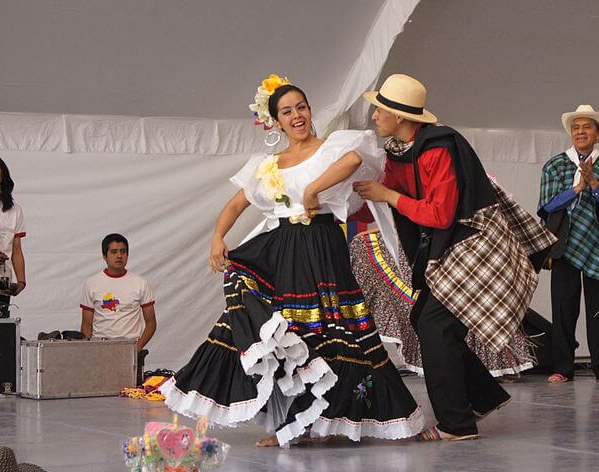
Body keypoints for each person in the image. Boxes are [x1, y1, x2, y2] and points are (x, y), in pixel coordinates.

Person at [160, 75, 423, 447]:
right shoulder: (268, 165)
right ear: (276, 121)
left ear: (310, 111)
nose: (296, 115)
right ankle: (293, 424)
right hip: (284, 248)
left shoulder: (332, 147)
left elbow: (354, 159)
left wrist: (314, 188)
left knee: (334, 328)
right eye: (287, 111)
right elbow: (237, 203)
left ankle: (333, 419)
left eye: (301, 107)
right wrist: (218, 237)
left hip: (322, 243)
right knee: (281, 325)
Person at [354, 74, 556, 441]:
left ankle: (457, 424)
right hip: (448, 248)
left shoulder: (438, 149)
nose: (373, 117)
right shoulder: (403, 152)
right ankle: (483, 397)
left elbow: (441, 214)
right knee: (425, 319)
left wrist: (388, 196)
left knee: (435, 326)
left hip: (474, 245)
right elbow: (390, 199)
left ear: (400, 116)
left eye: (379, 110)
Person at [349, 228, 536, 378]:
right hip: (441, 236)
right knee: (427, 319)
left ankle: (482, 380)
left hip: (459, 240)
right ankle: (476, 389)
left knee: (441, 317)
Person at [537, 105, 599, 383]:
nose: (580, 131)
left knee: (598, 307)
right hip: (563, 243)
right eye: (576, 127)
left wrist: (594, 182)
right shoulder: (555, 164)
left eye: (587, 127)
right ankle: (563, 367)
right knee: (564, 308)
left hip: (597, 243)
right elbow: (546, 206)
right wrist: (577, 188)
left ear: (597, 134)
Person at [80, 234, 157, 380]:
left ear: (128, 254)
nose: (119, 256)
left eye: (123, 251)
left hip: (130, 349)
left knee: (130, 396)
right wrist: (87, 352)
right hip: (99, 351)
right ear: (104, 256)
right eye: (114, 252)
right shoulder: (92, 283)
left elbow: (151, 323)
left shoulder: (140, 283)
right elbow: (86, 324)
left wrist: (136, 349)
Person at [0, 155, 26, 316]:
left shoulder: (15, 210)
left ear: (3, 173)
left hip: (1, 284)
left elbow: (16, 248)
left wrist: (22, 281)